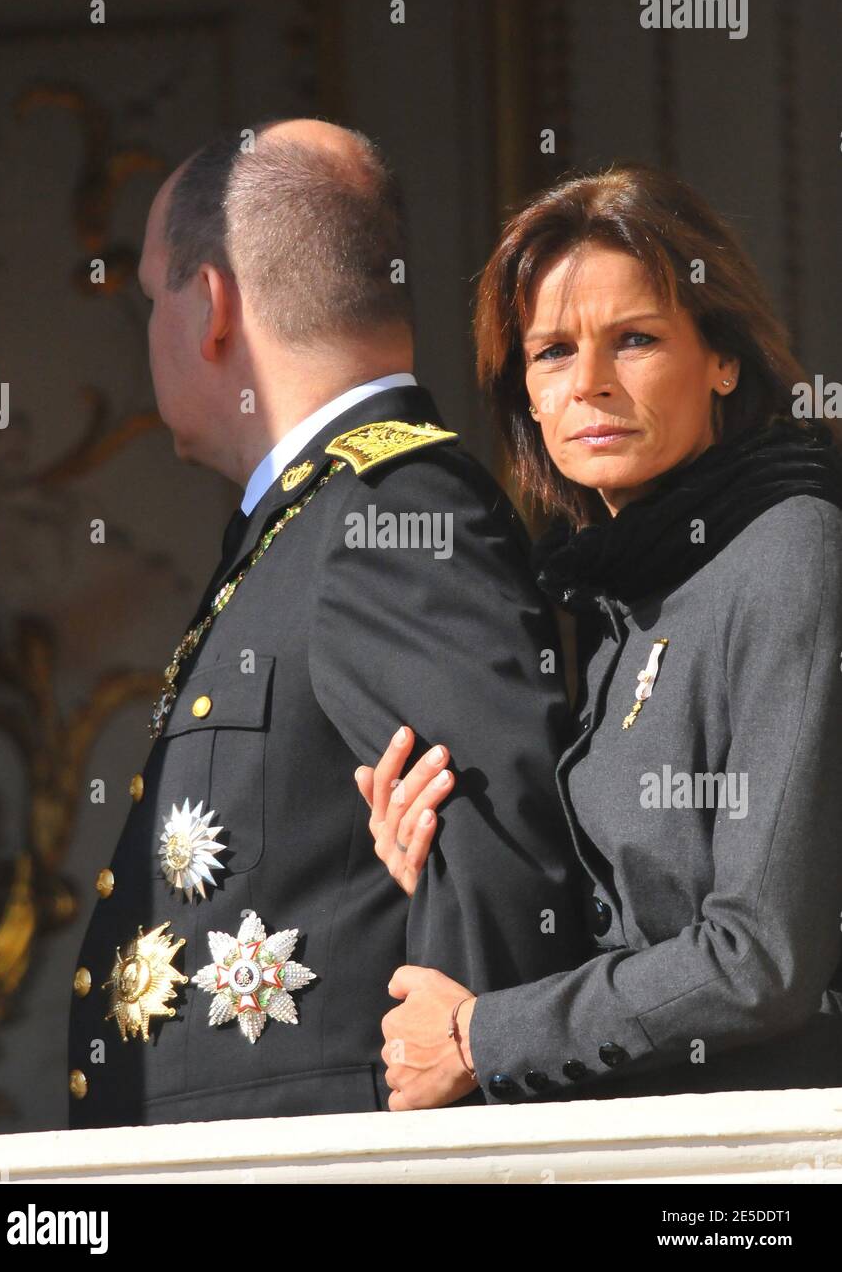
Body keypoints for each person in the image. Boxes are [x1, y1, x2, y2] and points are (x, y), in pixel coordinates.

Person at [66, 120, 591, 1128]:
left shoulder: (390, 513)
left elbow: (500, 868)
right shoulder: (309, 522)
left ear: (212, 304)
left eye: (151, 298)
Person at [356, 160, 842, 1110]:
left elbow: (760, 961)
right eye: (550, 353)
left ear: (722, 358)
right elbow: (614, 926)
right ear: (525, 397)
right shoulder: (614, 594)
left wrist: (481, 1036)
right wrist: (449, 860)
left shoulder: (792, 551)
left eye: (635, 340)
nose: (590, 384)